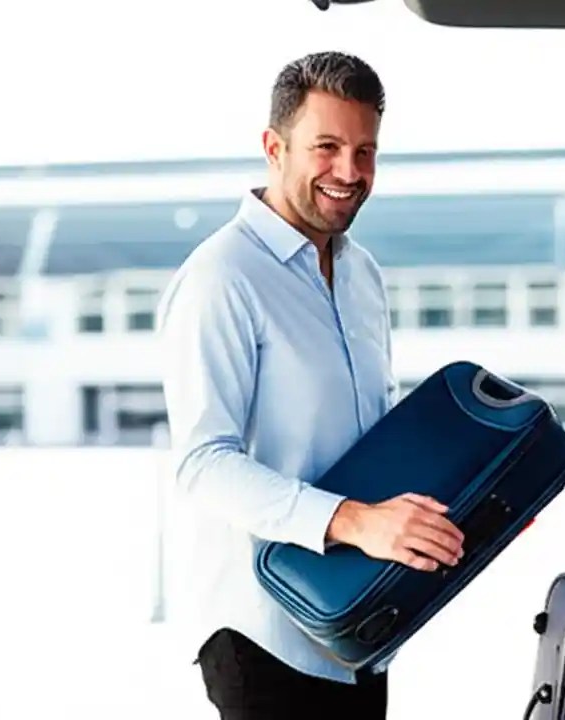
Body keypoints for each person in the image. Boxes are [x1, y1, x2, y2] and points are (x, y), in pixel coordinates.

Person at [158, 51, 465, 720]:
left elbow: (370, 438)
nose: (349, 172)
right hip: (263, 634)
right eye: (326, 147)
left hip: (358, 623)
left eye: (365, 151)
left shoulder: (362, 275)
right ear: (275, 148)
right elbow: (203, 464)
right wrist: (353, 520)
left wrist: (468, 503)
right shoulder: (222, 278)